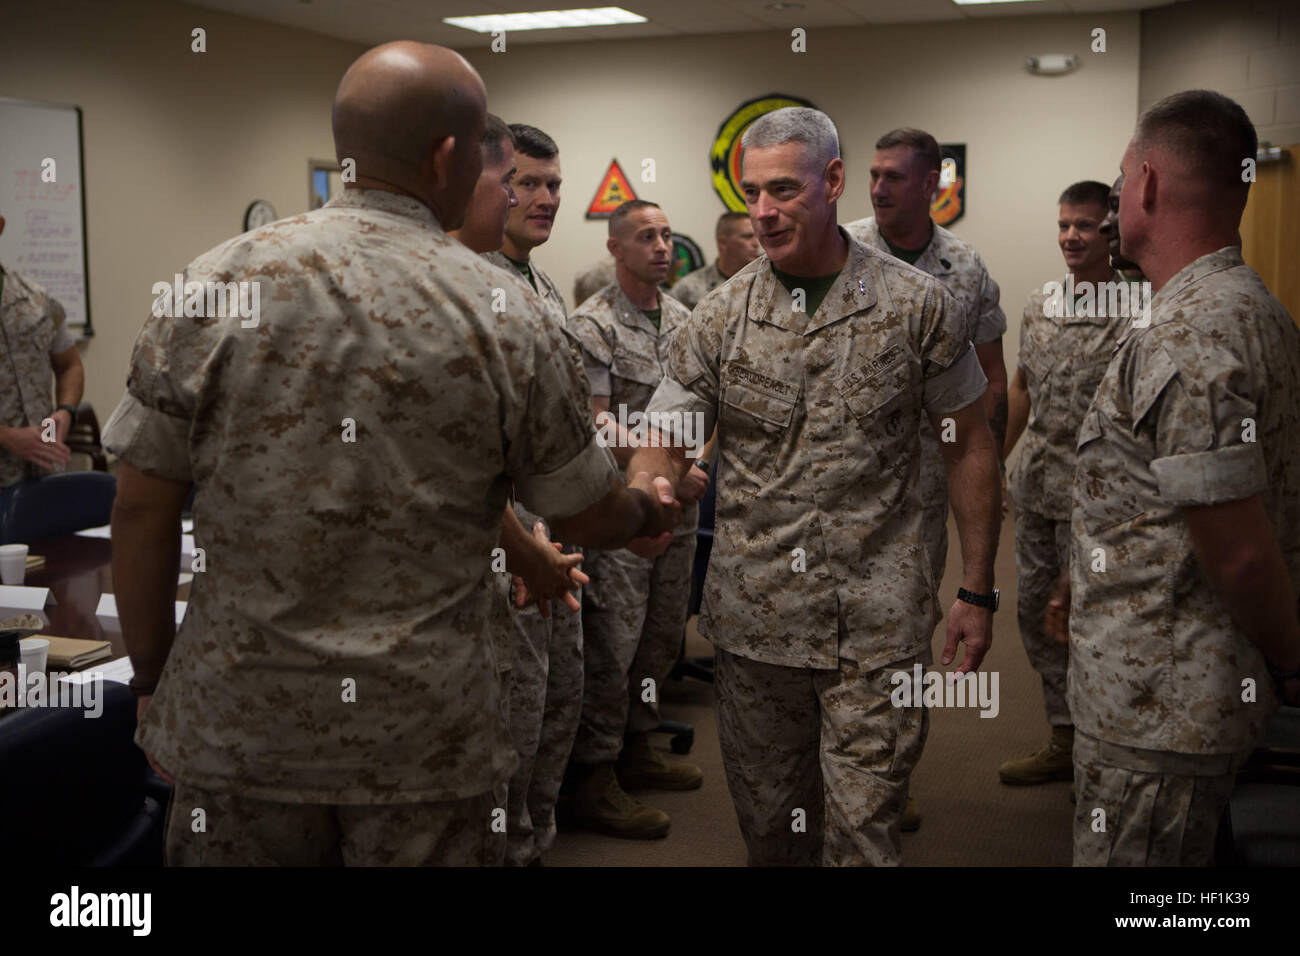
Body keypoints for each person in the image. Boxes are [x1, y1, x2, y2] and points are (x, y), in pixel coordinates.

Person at [103, 40, 679, 867]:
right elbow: (583, 508)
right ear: (448, 155)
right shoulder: (502, 310)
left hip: (241, 728)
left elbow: (140, 506)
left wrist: (155, 680)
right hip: (426, 738)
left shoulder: (212, 281)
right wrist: (650, 503)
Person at [631, 107, 1001, 865]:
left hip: (878, 623)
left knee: (863, 836)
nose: (762, 213)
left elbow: (968, 443)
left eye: (783, 190)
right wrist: (649, 490)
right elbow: (664, 437)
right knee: (772, 834)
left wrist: (977, 588)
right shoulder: (718, 318)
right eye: (751, 194)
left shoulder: (918, 305)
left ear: (833, 180)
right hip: (758, 625)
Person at [1057, 89, 1300, 866]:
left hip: (1160, 707)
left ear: (1151, 185)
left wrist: (1294, 661)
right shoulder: (1252, 305)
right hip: (1193, 693)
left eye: (1124, 180)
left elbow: (1238, 551)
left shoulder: (1190, 330)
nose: (1117, 198)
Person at [844, 127, 1008, 832]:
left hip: (922, 490)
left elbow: (993, 382)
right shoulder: (839, 250)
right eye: (873, 176)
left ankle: (889, 776)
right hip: (841, 479)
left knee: (907, 631)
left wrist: (984, 468)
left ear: (934, 184)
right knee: (832, 628)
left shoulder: (965, 270)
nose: (878, 189)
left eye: (894, 178)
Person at [565, 199, 707, 840]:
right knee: (615, 642)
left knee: (660, 635)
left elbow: (704, 407)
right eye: (646, 236)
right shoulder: (591, 325)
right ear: (616, 250)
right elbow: (595, 420)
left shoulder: (685, 320)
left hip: (678, 503)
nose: (661, 246)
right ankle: (594, 775)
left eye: (667, 235)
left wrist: (690, 463)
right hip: (623, 509)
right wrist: (664, 469)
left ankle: (637, 745)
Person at [479, 122, 592, 866]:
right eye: (529, 182)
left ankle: (536, 841)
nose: (546, 198)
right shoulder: (472, 281)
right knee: (509, 716)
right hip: (504, 545)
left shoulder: (541, 282)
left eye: (555, 184)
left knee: (557, 700)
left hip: (555, 534)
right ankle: (505, 851)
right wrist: (520, 546)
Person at [998, 181, 1131, 787]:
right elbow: (1022, 385)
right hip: (1038, 489)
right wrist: (995, 459)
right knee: (1034, 613)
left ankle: (1105, 754)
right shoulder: (1040, 303)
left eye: (1084, 225)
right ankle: (1064, 736)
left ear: (1111, 230)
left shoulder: (1139, 309)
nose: (1071, 237)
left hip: (1102, 500)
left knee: (1095, 619)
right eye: (1063, 226)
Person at [0, 213, 83, 489]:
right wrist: (6, 436)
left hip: (41, 473)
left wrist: (66, 411)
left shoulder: (37, 301)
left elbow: (69, 365)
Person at [670, 211, 760, 310]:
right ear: (723, 243)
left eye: (757, 236)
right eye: (748, 237)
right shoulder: (688, 289)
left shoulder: (767, 281)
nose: (756, 243)